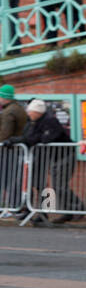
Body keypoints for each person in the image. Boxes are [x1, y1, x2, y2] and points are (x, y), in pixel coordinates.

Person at [22, 98, 83, 223]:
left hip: (62, 156)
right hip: (47, 158)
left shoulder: (50, 121)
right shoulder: (33, 122)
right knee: (46, 186)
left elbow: (45, 138)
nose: (29, 113)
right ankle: (52, 213)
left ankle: (77, 208)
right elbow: (29, 137)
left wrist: (37, 138)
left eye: (31, 111)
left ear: (38, 112)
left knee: (58, 186)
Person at [0, 84, 29, 212]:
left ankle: (14, 206)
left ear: (4, 97)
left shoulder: (9, 112)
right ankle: (16, 206)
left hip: (9, 150)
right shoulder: (19, 108)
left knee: (7, 179)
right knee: (14, 179)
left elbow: (5, 133)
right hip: (17, 149)